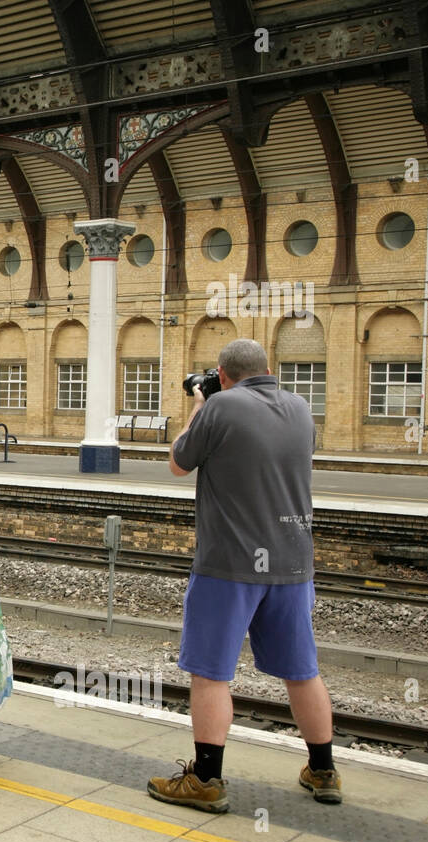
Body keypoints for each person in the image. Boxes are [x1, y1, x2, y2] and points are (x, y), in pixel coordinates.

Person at [148, 339, 339, 813]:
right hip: (293, 562)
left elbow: (177, 462)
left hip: (230, 565)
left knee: (210, 672)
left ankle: (207, 780)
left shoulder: (221, 407)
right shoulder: (299, 408)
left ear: (222, 373)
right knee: (302, 670)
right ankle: (323, 770)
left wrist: (199, 405)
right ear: (267, 368)